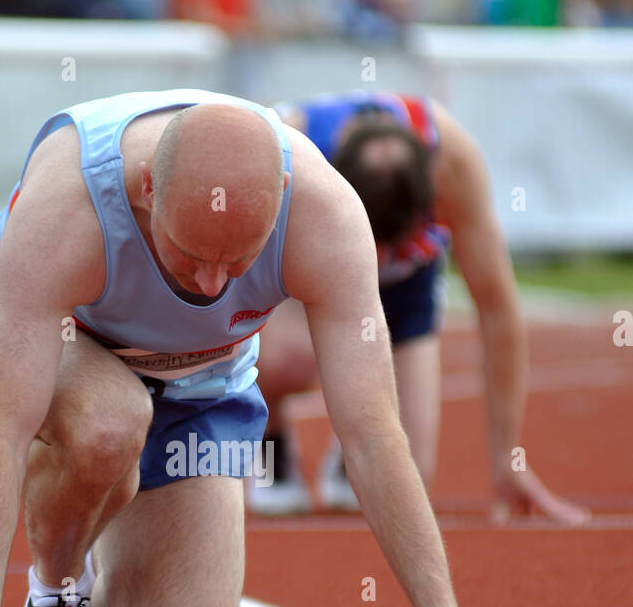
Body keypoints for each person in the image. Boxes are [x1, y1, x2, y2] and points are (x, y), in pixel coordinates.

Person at [0, 89, 571, 607]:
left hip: (199, 379)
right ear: (147, 192)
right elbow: (0, 427)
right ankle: (54, 594)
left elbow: (370, 433)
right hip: (64, 345)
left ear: (281, 202)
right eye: (188, 252)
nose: (208, 282)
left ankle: (108, 558)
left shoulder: (326, 215)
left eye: (236, 260)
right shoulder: (67, 206)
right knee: (108, 425)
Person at [250, 88, 589, 524]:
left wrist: (507, 455)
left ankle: (348, 448)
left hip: (411, 282)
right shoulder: (286, 153)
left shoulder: (454, 163)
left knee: (408, 473)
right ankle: (271, 450)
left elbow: (497, 306)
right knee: (279, 360)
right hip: (311, 269)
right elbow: (240, 288)